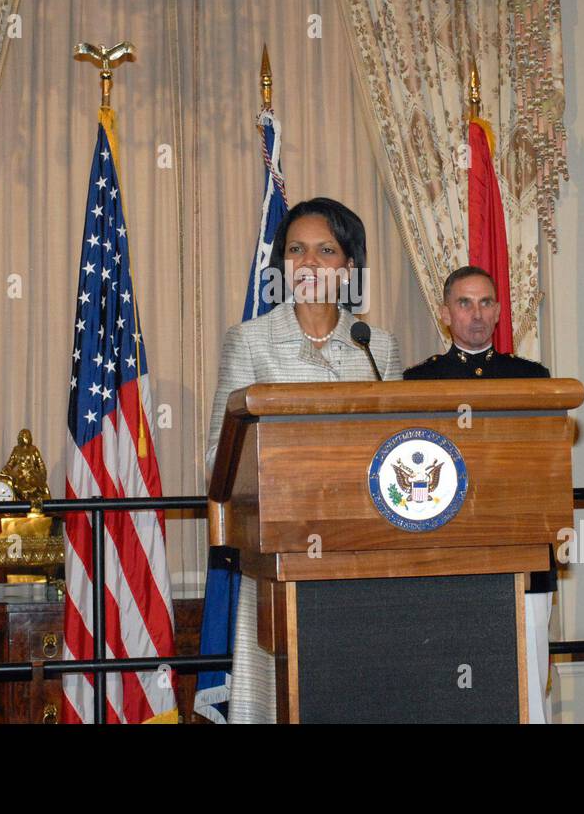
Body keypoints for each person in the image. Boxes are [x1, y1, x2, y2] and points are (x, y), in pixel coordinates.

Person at [205, 198, 403, 724]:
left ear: (350, 266)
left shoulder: (375, 347)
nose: (310, 263)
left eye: (326, 250)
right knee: (283, 701)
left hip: (361, 556)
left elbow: (400, 456)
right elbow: (216, 459)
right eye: (297, 250)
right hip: (280, 556)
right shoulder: (249, 341)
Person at [403, 265, 558, 723]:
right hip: (445, 551)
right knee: (447, 682)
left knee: (526, 676)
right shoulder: (418, 383)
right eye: (464, 303)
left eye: (486, 302)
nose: (476, 314)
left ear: (499, 313)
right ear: (446, 313)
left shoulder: (531, 378)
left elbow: (545, 464)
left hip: (521, 544)